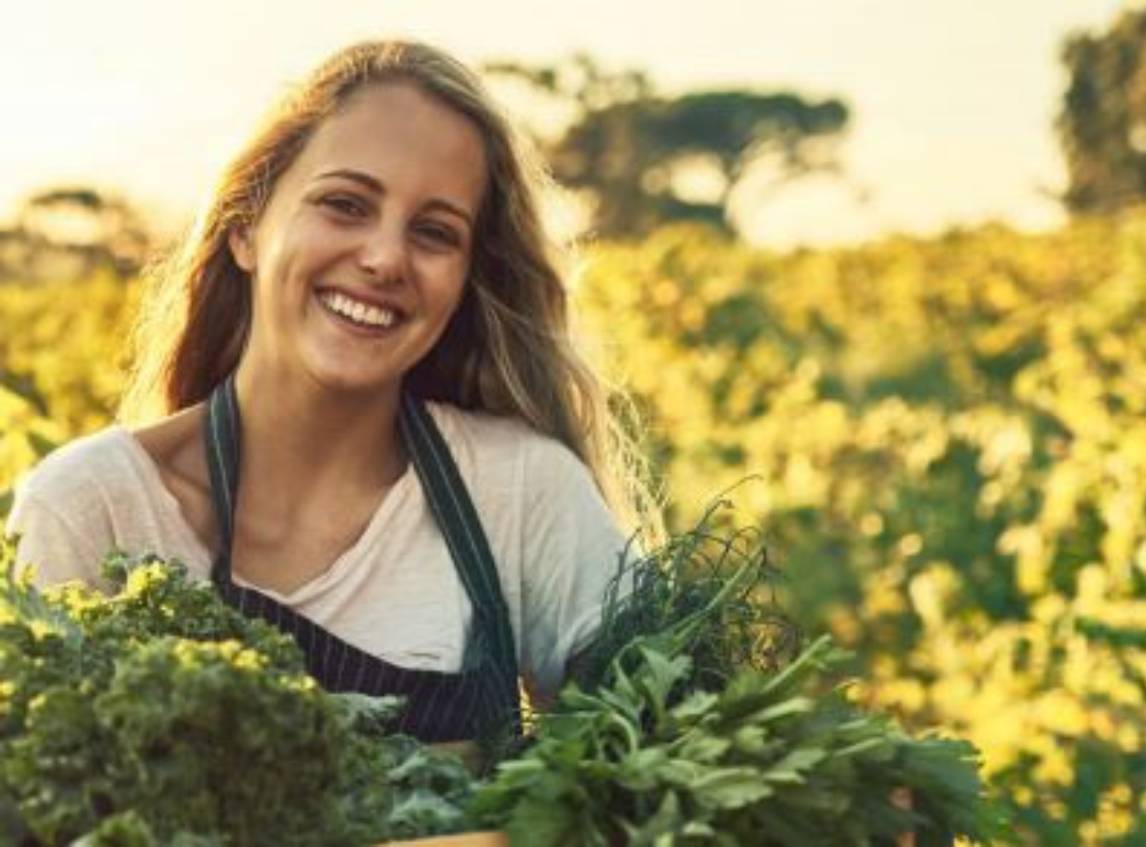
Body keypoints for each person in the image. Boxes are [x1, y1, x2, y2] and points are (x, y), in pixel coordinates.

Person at [4, 39, 657, 749]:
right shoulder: (92, 511)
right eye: (345, 204)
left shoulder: (520, 490)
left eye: (435, 233)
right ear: (246, 227)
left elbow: (673, 763)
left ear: (466, 278)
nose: (383, 258)